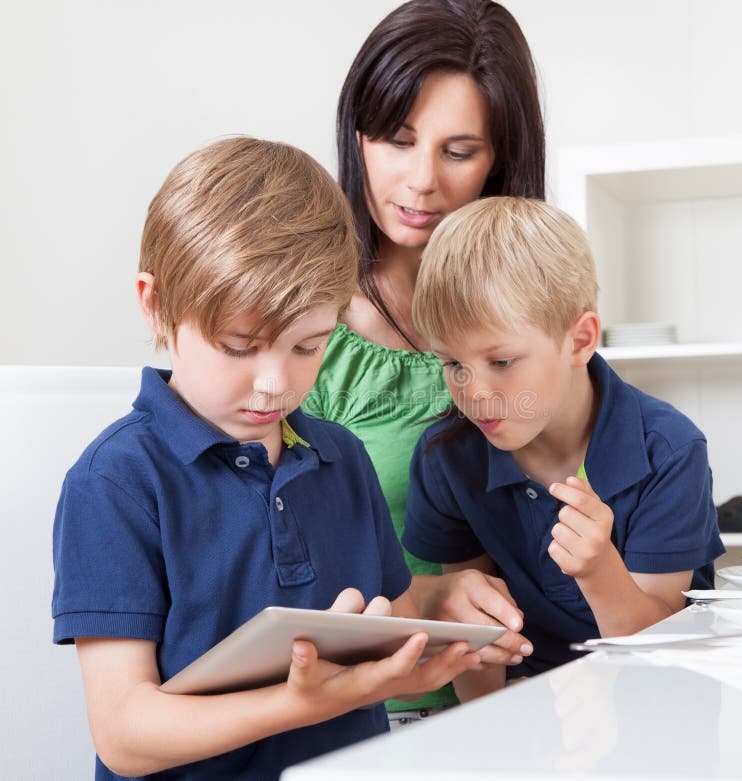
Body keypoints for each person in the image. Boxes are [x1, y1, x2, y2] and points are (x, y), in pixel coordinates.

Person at [50, 137, 482, 781]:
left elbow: (386, 622)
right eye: (239, 346)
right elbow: (123, 733)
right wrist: (296, 704)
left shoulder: (342, 457)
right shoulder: (116, 481)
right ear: (156, 304)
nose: (275, 384)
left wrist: (427, 647)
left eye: (308, 346)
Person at [302, 0, 544, 724]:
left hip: (528, 706)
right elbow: (269, 566)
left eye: (458, 151)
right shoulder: (302, 335)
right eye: (396, 140)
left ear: (501, 159)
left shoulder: (539, 316)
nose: (420, 180)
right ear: (357, 136)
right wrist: (432, 598)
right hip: (362, 719)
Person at [404, 197, 725, 700]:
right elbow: (476, 641)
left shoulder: (669, 450)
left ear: (579, 341)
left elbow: (659, 654)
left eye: (501, 361)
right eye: (452, 364)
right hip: (530, 712)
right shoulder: (446, 458)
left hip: (660, 709)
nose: (474, 392)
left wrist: (599, 572)